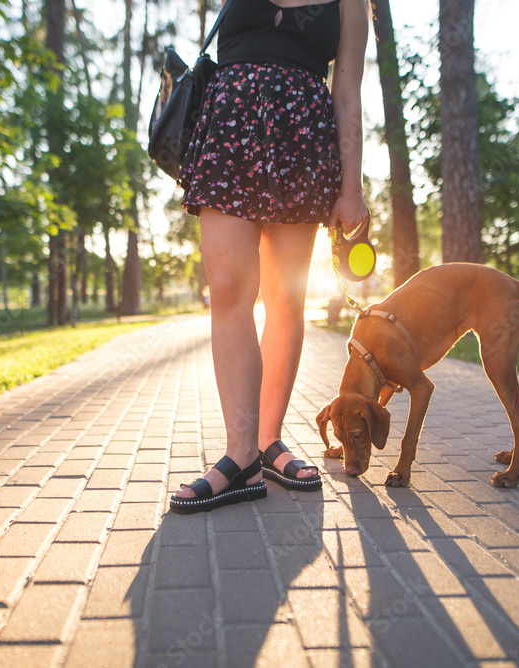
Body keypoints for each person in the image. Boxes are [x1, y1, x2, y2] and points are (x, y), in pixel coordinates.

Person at [169, 0, 370, 514]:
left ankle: (268, 442)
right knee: (230, 289)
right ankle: (240, 456)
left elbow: (347, 94)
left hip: (302, 138)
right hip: (229, 127)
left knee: (285, 298)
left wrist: (352, 187)